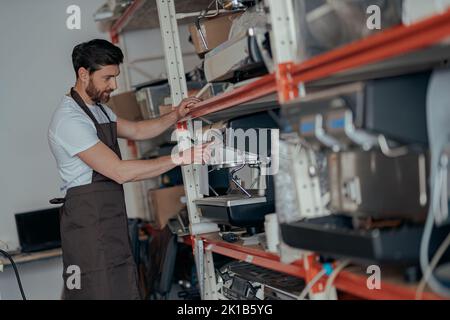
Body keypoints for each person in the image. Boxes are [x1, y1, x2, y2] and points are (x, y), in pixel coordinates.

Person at [48, 39, 209, 299]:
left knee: (122, 285)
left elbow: (137, 130)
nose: (114, 85)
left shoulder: (98, 110)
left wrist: (176, 115)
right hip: (88, 226)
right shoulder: (69, 119)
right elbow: (119, 172)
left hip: (108, 220)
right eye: (107, 78)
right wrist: (180, 158)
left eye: (116, 77)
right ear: (83, 74)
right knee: (98, 291)